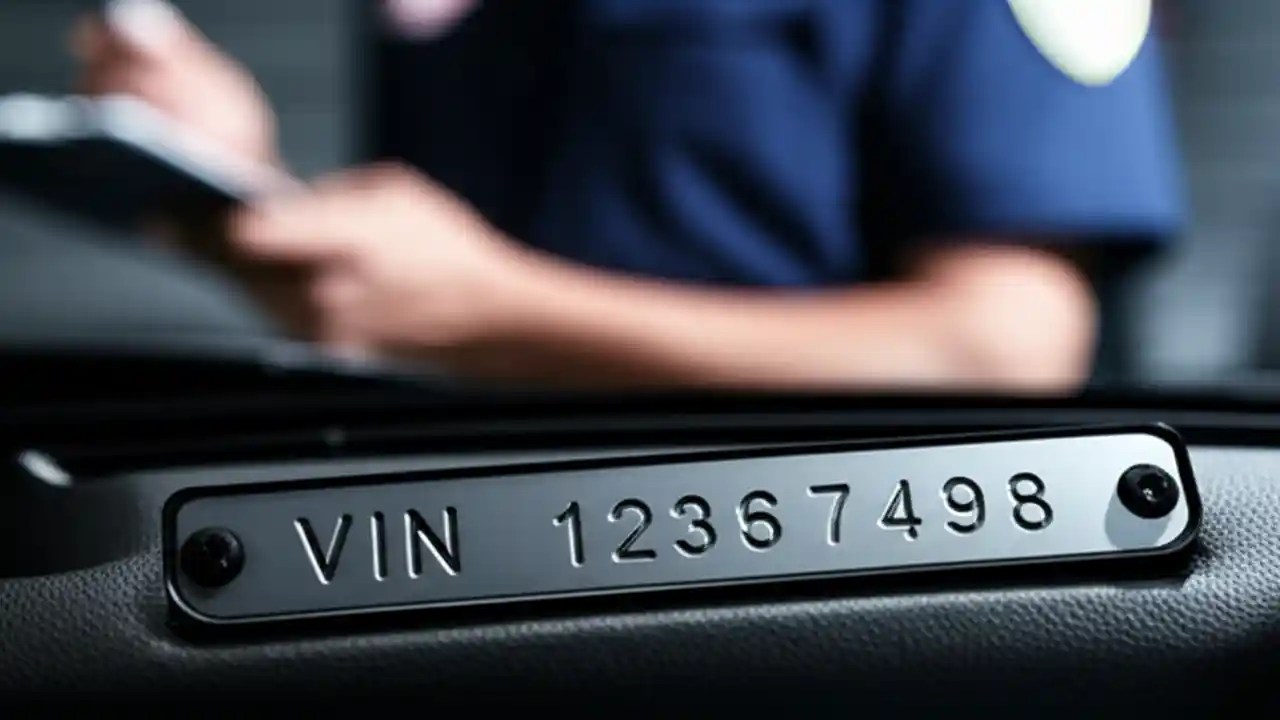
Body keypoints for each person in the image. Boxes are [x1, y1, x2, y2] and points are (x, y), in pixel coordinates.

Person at [71, 0, 1184, 392]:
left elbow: (1003, 345)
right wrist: (240, 197)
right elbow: (420, 301)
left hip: (814, 610)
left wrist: (497, 312)